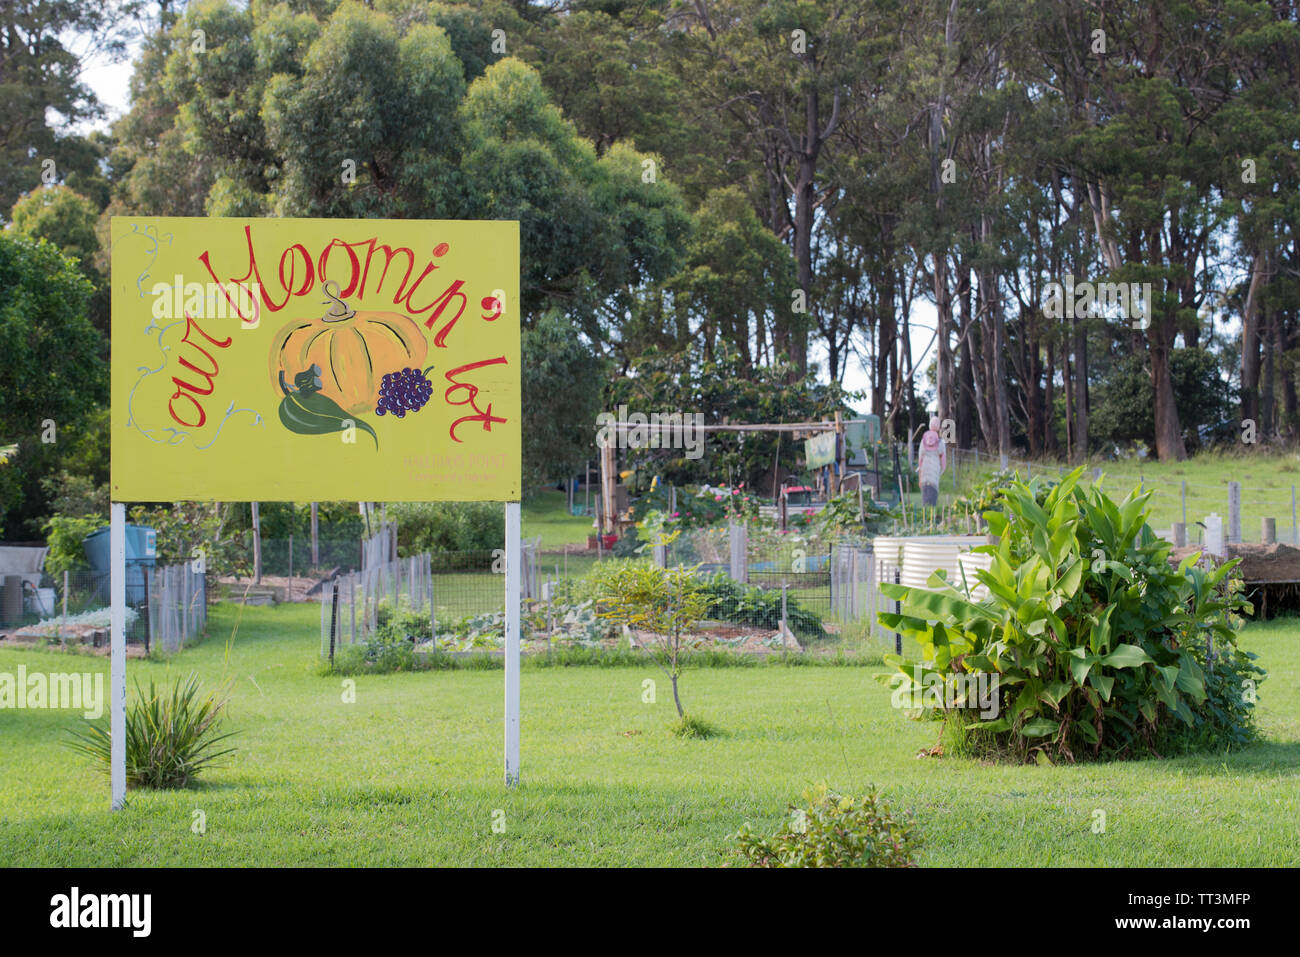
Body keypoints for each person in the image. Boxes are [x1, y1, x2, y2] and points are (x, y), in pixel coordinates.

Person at [917, 416, 947, 507]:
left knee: (925, 491)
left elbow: (920, 458)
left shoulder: (923, 440)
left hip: (925, 470)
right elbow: (943, 459)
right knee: (933, 491)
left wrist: (920, 475)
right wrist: (942, 470)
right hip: (935, 469)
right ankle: (932, 513)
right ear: (938, 427)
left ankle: (924, 512)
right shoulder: (940, 442)